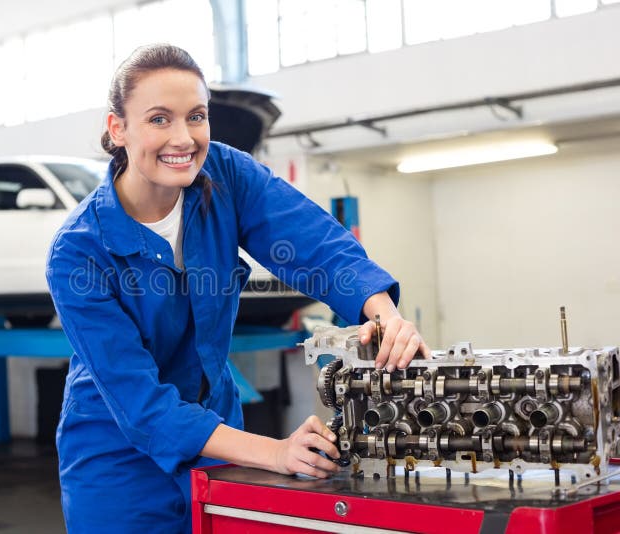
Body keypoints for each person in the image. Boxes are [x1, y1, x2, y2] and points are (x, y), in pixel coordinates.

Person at [46, 43, 430, 533]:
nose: (183, 138)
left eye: (197, 116)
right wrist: (275, 451)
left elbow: (313, 242)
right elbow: (140, 403)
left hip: (218, 436)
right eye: (159, 119)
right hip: (118, 461)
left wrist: (384, 315)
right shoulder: (79, 252)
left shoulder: (225, 175)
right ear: (117, 128)